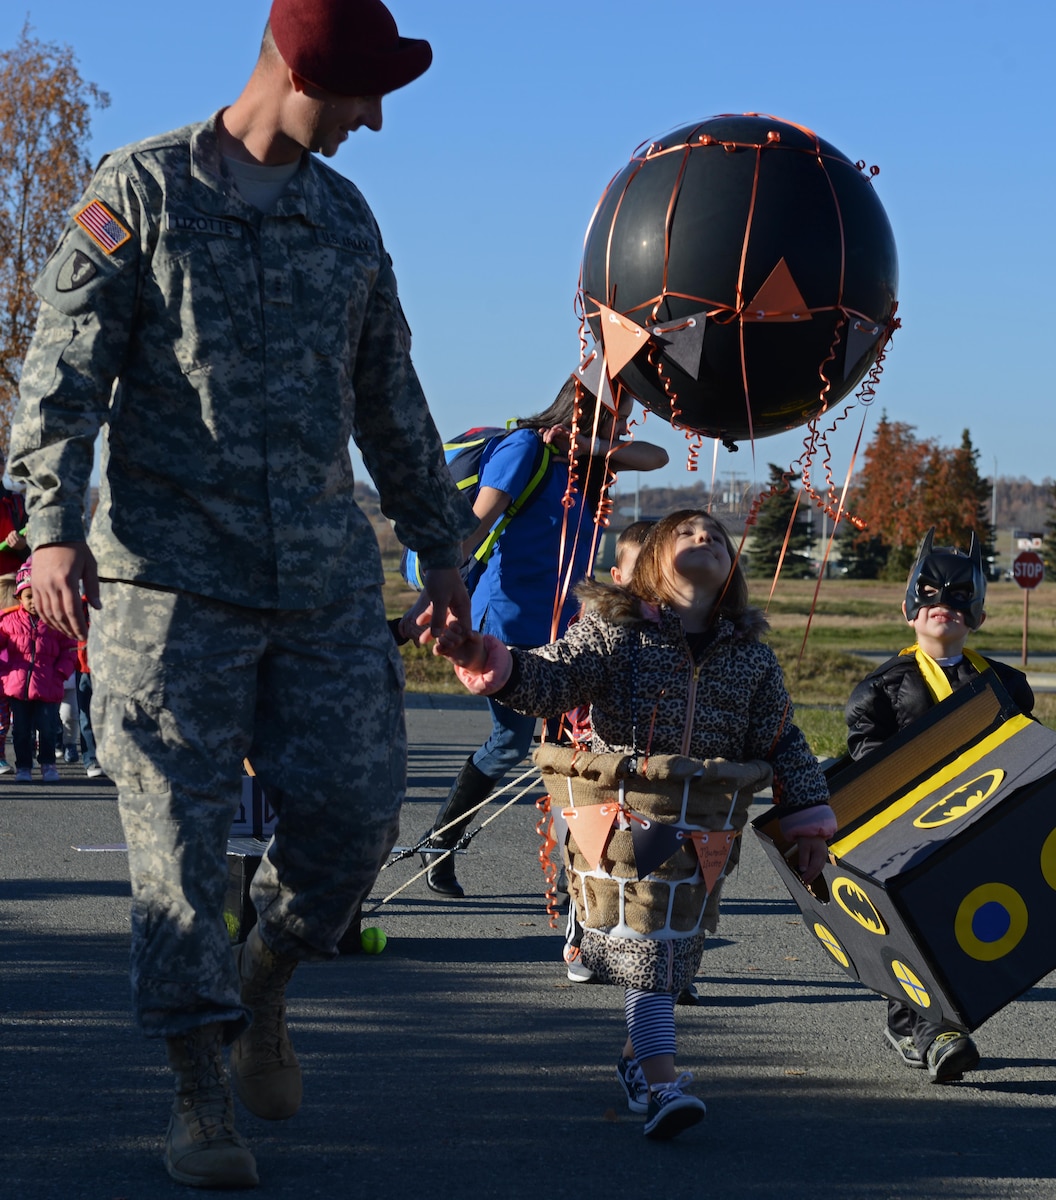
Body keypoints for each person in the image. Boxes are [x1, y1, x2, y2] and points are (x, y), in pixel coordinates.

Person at [9, 0, 476, 1189]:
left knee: (355, 818)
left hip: (322, 582)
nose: (373, 119)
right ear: (299, 70)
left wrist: (444, 550)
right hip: (169, 588)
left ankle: (263, 979)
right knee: (171, 845)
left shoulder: (345, 219)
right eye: (361, 92)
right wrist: (51, 533)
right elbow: (60, 379)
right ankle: (197, 1095)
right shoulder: (143, 194)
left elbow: (394, 404)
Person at [433, 509, 836, 1137]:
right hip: (620, 830)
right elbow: (553, 676)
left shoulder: (753, 660)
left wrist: (808, 828)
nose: (705, 539)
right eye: (687, 533)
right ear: (649, 565)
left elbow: (784, 742)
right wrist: (493, 662)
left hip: (702, 836)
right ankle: (659, 1082)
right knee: (649, 949)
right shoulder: (617, 635)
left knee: (672, 962)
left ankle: (633, 1062)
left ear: (732, 573)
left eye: (718, 538)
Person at [415, 379, 668, 898]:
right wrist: (440, 589)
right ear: (583, 408)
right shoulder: (525, 447)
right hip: (507, 624)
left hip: (568, 630)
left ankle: (578, 880)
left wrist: (592, 447)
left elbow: (657, 456)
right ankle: (440, 843)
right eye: (613, 418)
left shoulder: (592, 464)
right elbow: (477, 523)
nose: (622, 430)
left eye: (624, 421)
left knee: (572, 751)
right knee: (509, 743)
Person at [845, 527, 1034, 1083]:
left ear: (975, 613)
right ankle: (924, 1030)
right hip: (910, 833)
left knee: (965, 926)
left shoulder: (1005, 683)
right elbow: (870, 766)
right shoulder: (878, 689)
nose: (943, 609)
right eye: (930, 597)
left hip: (985, 825)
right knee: (912, 925)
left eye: (958, 600)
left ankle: (938, 1025)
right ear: (909, 609)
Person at [0, 561, 79, 783]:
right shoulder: (8, 622)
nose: (35, 602)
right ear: (19, 598)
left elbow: (69, 650)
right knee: (21, 731)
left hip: (48, 685)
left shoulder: (57, 622)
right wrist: (6, 673)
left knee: (47, 729)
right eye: (29, 596)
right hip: (17, 688)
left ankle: (48, 765)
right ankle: (24, 766)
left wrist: (60, 673)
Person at [0, 457, 29, 775]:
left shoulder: (17, 503)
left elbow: (39, 551)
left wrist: (22, 545)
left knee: (11, 670)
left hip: (10, 592)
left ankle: (14, 747)